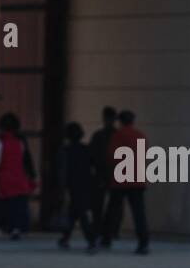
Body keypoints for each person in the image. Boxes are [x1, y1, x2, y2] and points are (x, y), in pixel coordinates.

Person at [0, 112, 37, 240]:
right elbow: (26, 159)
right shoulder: (21, 141)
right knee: (17, 205)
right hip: (19, 177)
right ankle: (16, 229)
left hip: (3, 178)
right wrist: (31, 175)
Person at [101, 109, 148, 254]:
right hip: (137, 179)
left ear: (120, 121)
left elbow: (111, 156)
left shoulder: (118, 136)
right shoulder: (140, 136)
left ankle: (106, 238)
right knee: (139, 213)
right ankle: (143, 242)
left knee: (112, 210)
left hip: (120, 179)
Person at [55, 122, 98, 251]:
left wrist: (61, 188)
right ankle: (66, 237)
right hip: (85, 184)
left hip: (72, 185)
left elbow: (61, 170)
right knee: (75, 212)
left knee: (79, 213)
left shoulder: (65, 151)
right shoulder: (86, 149)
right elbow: (94, 166)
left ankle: (90, 239)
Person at [88, 106, 117, 229]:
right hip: (114, 173)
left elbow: (91, 154)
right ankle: (111, 228)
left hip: (101, 172)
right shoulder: (117, 135)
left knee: (98, 203)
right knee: (114, 204)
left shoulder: (99, 135)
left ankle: (98, 226)